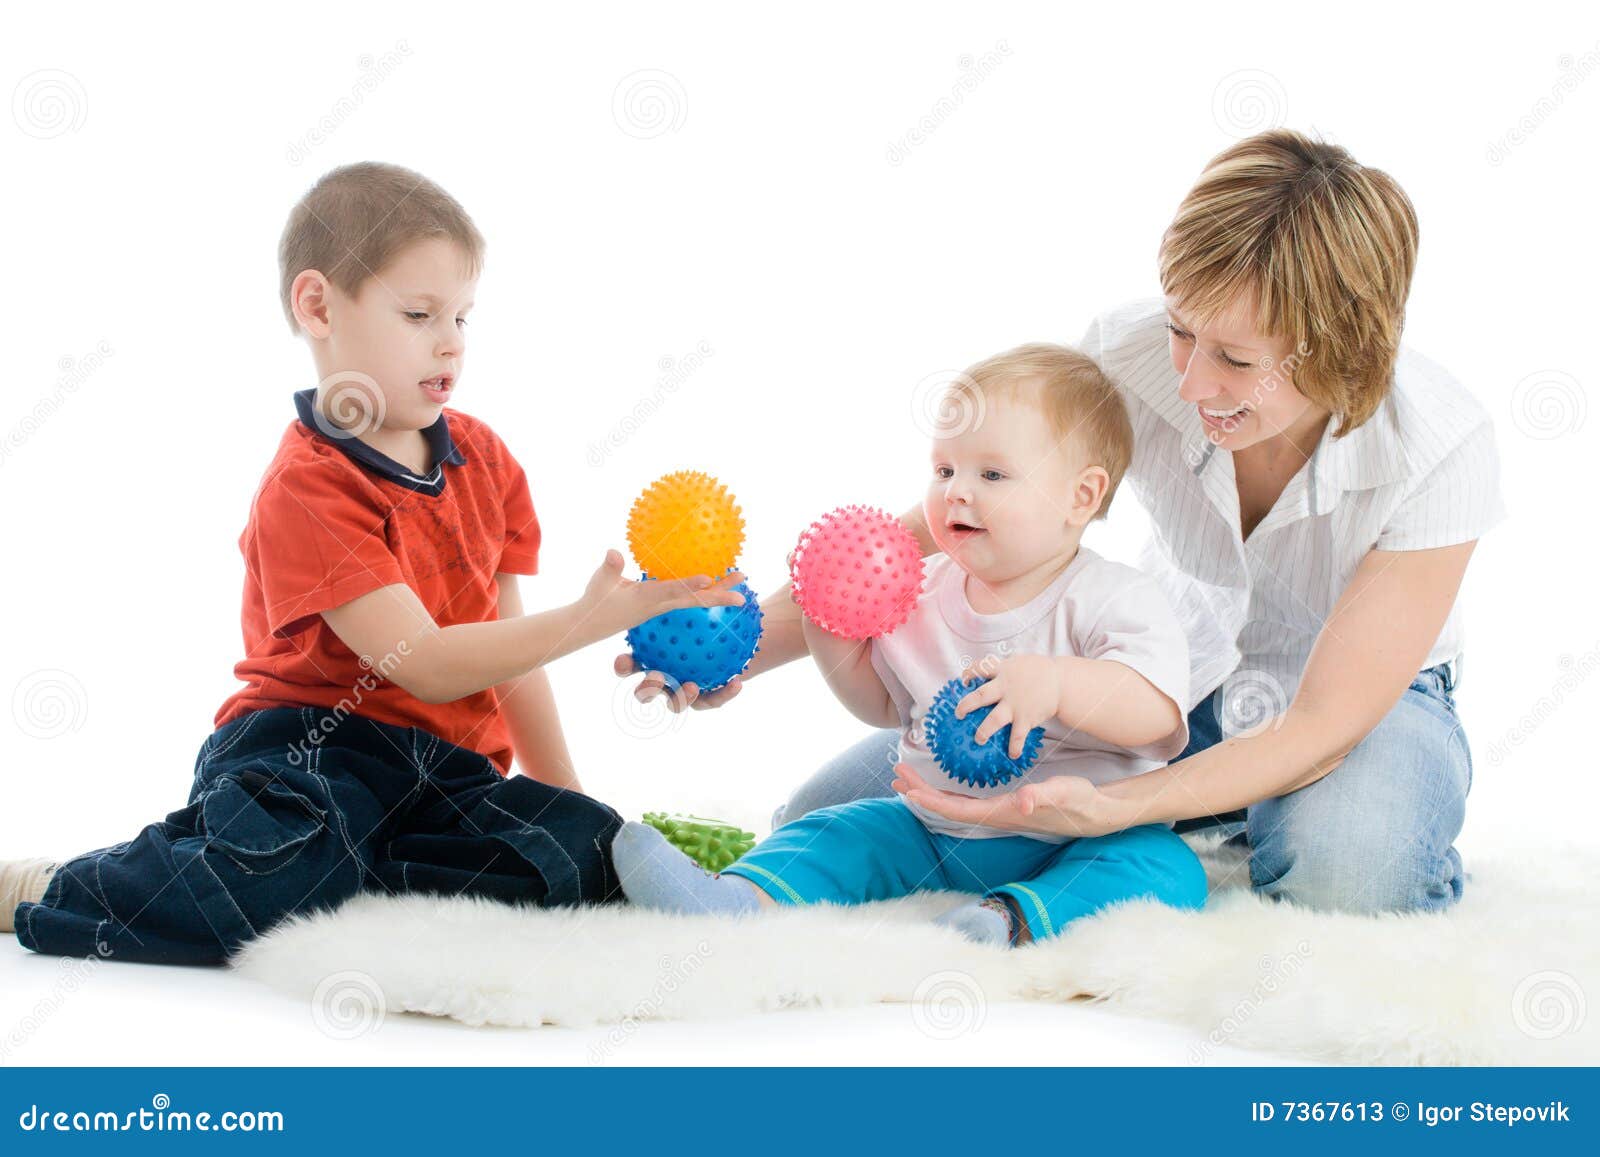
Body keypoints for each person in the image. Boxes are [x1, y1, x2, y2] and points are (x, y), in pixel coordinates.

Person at [620, 129, 1505, 916]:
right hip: (1160, 676)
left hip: (1356, 707)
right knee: (835, 821)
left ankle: (1219, 824)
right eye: (1182, 330)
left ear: (1344, 347)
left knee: (1351, 880)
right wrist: (734, 647)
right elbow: (949, 524)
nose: (1192, 383)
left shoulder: (1438, 444)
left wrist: (1113, 806)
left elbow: (1317, 727)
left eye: (1236, 359)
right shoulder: (1123, 355)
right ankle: (1201, 812)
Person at [1, 161, 743, 963]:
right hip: (311, 754)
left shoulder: (484, 460)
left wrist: (566, 797)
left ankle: (362, 881)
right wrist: (592, 619)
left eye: (463, 315)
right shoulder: (310, 486)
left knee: (576, 857)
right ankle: (59, 885)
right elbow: (420, 662)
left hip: (445, 777)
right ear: (318, 305)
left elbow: (511, 658)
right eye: (420, 313)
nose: (451, 341)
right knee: (278, 867)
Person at [612, 344, 1207, 945]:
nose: (956, 492)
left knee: (1166, 867)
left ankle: (1009, 919)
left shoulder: (1111, 596)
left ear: (1081, 496)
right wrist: (826, 624)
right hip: (935, 830)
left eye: (991, 474)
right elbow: (884, 707)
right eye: (944, 470)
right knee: (832, 833)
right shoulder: (922, 593)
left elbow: (1154, 712)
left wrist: (1057, 683)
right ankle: (732, 900)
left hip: (1079, 834)